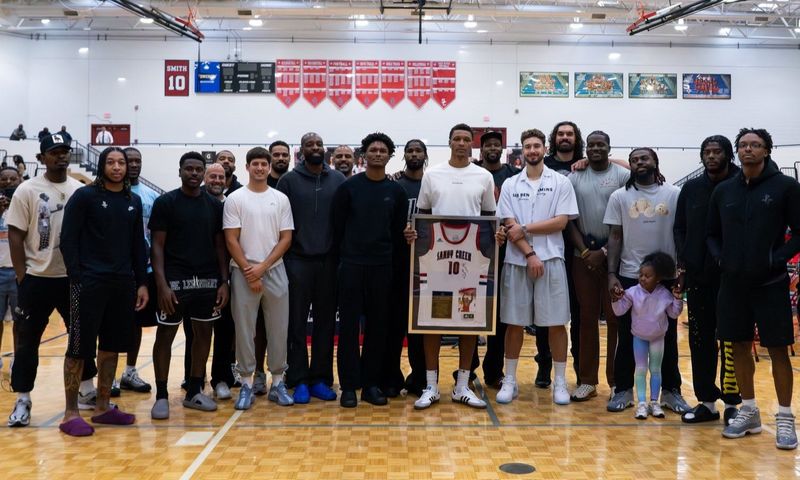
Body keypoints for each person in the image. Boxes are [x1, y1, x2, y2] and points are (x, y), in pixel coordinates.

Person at [707, 128, 800, 450]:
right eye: (743, 145)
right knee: (738, 346)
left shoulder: (786, 188)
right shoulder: (724, 191)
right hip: (733, 284)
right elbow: (711, 234)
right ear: (737, 151)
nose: (748, 150)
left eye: (755, 145)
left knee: (776, 350)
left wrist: (777, 259)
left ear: (766, 150)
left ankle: (785, 416)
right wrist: (721, 259)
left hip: (770, 283)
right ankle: (749, 411)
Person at [6, 133, 97, 428]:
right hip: (36, 278)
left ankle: (86, 390)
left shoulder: (80, 190)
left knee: (81, 338)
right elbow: (16, 235)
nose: (60, 156)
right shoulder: (27, 190)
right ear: (42, 157)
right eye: (54, 152)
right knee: (27, 342)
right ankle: (23, 398)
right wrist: (22, 275)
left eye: (65, 151)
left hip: (72, 278)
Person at [59, 147, 148, 436]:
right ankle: (70, 412)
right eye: (110, 162)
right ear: (101, 166)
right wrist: (76, 277)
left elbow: (137, 246)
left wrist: (141, 282)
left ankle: (102, 407)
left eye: (121, 162)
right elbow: (68, 239)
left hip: (122, 284)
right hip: (88, 283)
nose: (117, 167)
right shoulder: (85, 197)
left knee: (110, 347)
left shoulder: (132, 200)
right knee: (78, 348)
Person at [407, 123, 496, 410]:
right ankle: (431, 384)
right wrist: (413, 234)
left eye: (466, 139)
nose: (461, 143)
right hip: (437, 259)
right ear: (449, 142)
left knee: (468, 322)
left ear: (472, 144)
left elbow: (489, 219)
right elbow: (422, 217)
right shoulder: (432, 175)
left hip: (470, 262)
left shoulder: (483, 176)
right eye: (456, 138)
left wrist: (498, 237)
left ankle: (462, 386)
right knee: (433, 321)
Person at [495, 128, 578, 406]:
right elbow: (509, 225)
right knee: (514, 323)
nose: (532, 150)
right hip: (518, 261)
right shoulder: (510, 184)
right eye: (527, 146)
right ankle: (510, 381)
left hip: (552, 259)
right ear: (522, 150)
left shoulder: (561, 182)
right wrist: (530, 253)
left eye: (536, 146)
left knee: (556, 323)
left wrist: (526, 228)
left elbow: (561, 222)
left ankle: (560, 383)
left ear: (545, 149)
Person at [604, 148, 689, 414]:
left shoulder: (674, 194)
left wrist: (682, 270)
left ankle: (671, 392)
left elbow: (681, 233)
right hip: (631, 274)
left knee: (669, 337)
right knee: (627, 336)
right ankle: (623, 389)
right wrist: (611, 273)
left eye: (644, 158)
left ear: (655, 162)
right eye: (634, 160)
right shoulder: (619, 196)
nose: (639, 162)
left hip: (666, 275)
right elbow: (615, 236)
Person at [149, 152, 228, 419]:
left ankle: (195, 390)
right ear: (180, 171)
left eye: (198, 170)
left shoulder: (215, 206)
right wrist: (161, 284)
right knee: (166, 336)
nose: (194, 173)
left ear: (204, 173)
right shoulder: (165, 202)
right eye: (189, 169)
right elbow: (157, 247)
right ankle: (161, 395)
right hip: (174, 281)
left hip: (207, 280)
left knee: (204, 335)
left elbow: (220, 247)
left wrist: (224, 281)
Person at [332, 132, 407, 408]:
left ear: (389, 155)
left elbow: (399, 235)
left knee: (378, 329)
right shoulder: (348, 188)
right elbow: (337, 228)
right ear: (364, 155)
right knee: (349, 329)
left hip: (382, 268)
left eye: (383, 150)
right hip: (351, 266)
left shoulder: (395, 192)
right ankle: (350, 386)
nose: (378, 153)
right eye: (373, 149)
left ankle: (371, 384)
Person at [674, 135, 742, 424]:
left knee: (731, 339)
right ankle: (706, 402)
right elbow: (680, 229)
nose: (711, 156)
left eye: (717, 152)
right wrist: (685, 262)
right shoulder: (691, 188)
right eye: (707, 152)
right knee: (700, 340)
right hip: (699, 277)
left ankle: (733, 404)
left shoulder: (742, 185)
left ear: (729, 155)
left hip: (733, 278)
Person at [276, 133, 345, 403]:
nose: (315, 148)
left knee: (326, 325)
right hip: (297, 261)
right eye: (309, 145)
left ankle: (320, 379)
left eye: (318, 144)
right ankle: (299, 379)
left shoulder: (338, 180)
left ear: (324, 149)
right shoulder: (288, 181)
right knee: (295, 324)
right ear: (301, 151)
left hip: (329, 262)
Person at [224, 147, 294, 410]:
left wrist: (262, 268)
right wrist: (249, 270)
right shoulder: (235, 198)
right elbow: (231, 238)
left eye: (264, 164)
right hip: (243, 270)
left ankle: (278, 383)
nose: (261, 168)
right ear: (248, 167)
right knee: (244, 330)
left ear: (268, 167)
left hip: (274, 269)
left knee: (279, 328)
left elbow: (286, 238)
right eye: (255, 164)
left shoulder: (281, 198)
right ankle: (245, 383)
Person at [566, 131, 628, 402]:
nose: (595, 149)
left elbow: (628, 217)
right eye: (591, 145)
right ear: (585, 149)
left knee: (615, 319)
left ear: (609, 147)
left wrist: (604, 251)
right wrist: (584, 251)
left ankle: (617, 382)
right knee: (586, 318)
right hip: (583, 257)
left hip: (616, 257)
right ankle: (587, 380)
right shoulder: (574, 177)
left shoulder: (623, 176)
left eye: (600, 144)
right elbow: (568, 220)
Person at [611, 252, 684, 420]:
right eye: (641, 275)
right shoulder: (632, 293)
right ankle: (642, 403)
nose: (642, 278)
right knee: (641, 369)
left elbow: (673, 314)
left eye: (647, 276)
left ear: (658, 278)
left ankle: (655, 402)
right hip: (639, 338)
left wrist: (678, 299)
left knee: (656, 370)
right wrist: (615, 299)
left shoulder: (665, 295)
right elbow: (619, 311)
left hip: (658, 338)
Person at [472, 130, 519, 389]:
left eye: (496, 145)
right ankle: (468, 368)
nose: (492, 148)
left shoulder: (512, 176)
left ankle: (494, 371)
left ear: (502, 149)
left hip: (507, 252)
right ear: (481, 149)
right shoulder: (474, 173)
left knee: (499, 316)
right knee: (471, 308)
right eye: (487, 144)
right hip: (475, 249)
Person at [112, 147, 159, 395]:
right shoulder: (107, 194)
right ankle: (107, 375)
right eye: (129, 161)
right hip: (114, 271)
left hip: (144, 271)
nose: (133, 165)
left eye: (137, 161)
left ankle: (130, 370)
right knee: (108, 323)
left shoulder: (151, 196)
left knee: (137, 323)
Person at [387, 139, 427, 397]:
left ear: (425, 155)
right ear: (404, 156)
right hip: (398, 263)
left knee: (420, 326)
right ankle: (391, 377)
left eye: (418, 151)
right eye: (409, 151)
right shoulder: (395, 184)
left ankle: (420, 378)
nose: (414, 154)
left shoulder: (433, 182)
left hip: (427, 262)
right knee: (395, 324)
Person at [202, 163, 237, 398]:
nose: (216, 180)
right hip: (198, 276)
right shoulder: (193, 201)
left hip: (227, 276)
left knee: (225, 329)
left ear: (227, 180)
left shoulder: (232, 204)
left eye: (220, 177)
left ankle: (221, 379)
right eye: (212, 176)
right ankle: (193, 379)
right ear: (205, 178)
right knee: (197, 331)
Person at [0, 167, 21, 368]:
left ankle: (18, 358)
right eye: (4, 179)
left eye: (12, 178)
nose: (8, 182)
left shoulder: (24, 203)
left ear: (20, 180)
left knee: (19, 321)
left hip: (18, 271)